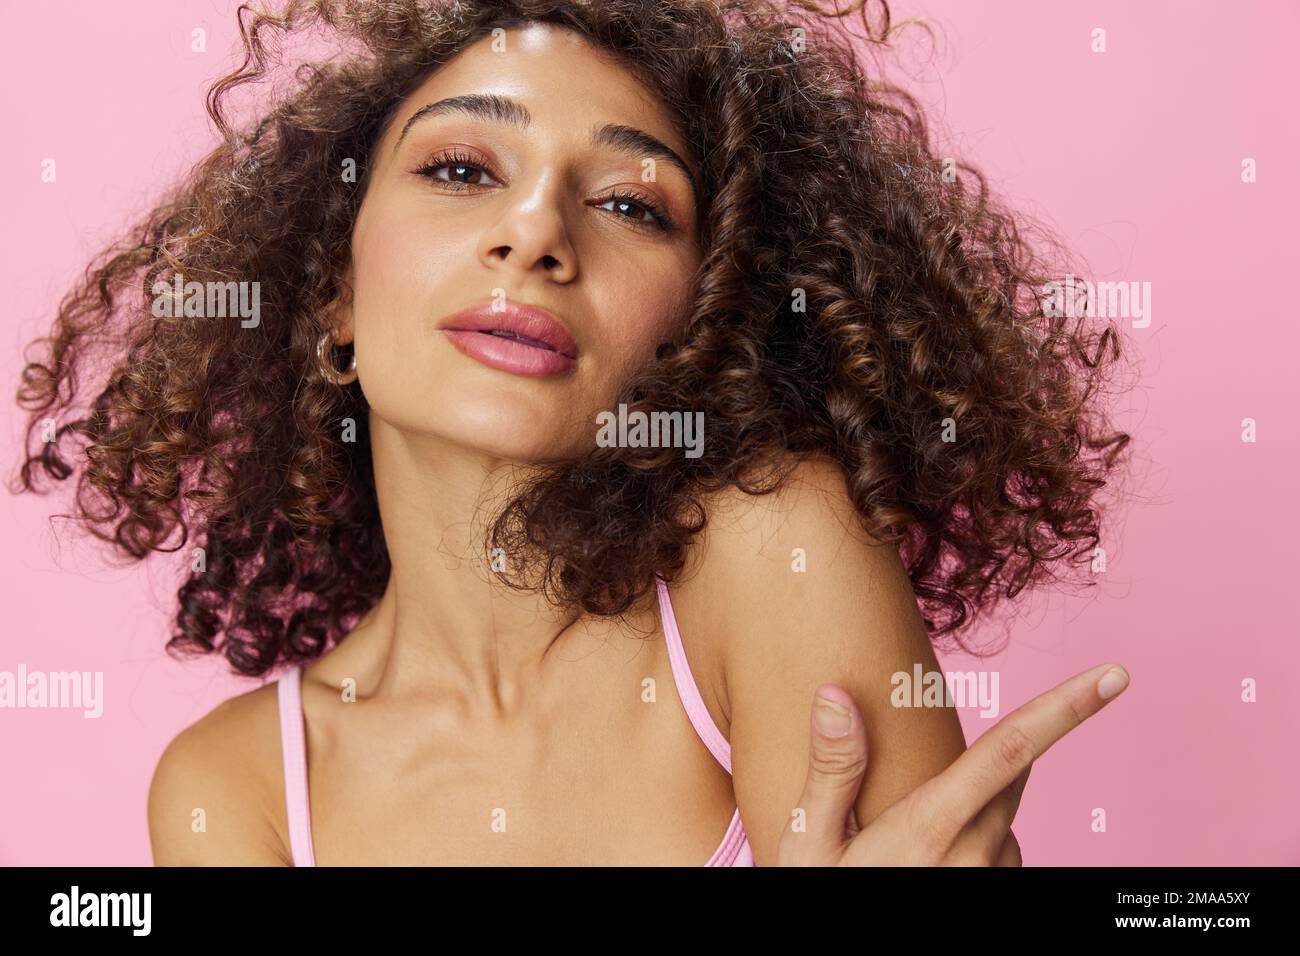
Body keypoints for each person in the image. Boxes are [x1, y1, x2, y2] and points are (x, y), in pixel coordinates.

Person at [13, 0, 1133, 866]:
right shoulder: (238, 785)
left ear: (699, 321)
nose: (536, 232)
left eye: (630, 205)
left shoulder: (774, 544)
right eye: (460, 170)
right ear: (333, 304)